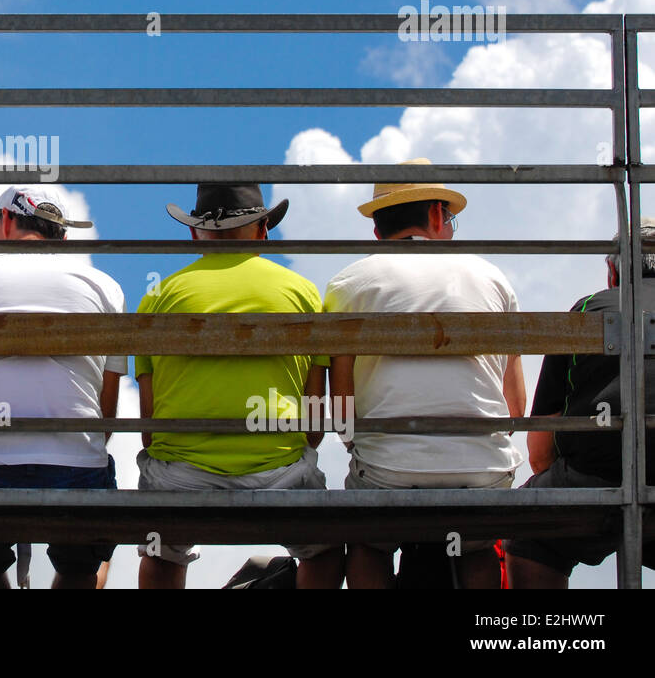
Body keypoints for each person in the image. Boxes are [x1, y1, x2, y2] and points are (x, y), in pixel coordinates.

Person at [325, 159, 525, 589]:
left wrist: (356, 444)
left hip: (388, 469)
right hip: (483, 471)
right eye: (451, 219)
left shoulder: (348, 284)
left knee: (368, 543)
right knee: (476, 545)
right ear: (436, 215)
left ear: (378, 231)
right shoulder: (493, 278)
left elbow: (340, 400)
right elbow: (515, 406)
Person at [135, 183, 342, 589]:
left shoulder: (157, 297)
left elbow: (149, 429)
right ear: (262, 229)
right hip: (280, 473)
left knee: (162, 551)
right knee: (327, 549)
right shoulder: (302, 293)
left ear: (195, 232)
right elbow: (315, 429)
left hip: (180, 478)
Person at [0, 186, 125, 589]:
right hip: (78, 470)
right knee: (84, 568)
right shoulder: (105, 288)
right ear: (64, 237)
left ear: (6, 221)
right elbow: (107, 414)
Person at [505, 220, 655, 587]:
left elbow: (539, 452)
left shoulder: (588, 309)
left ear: (612, 272)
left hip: (594, 477)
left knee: (529, 531)